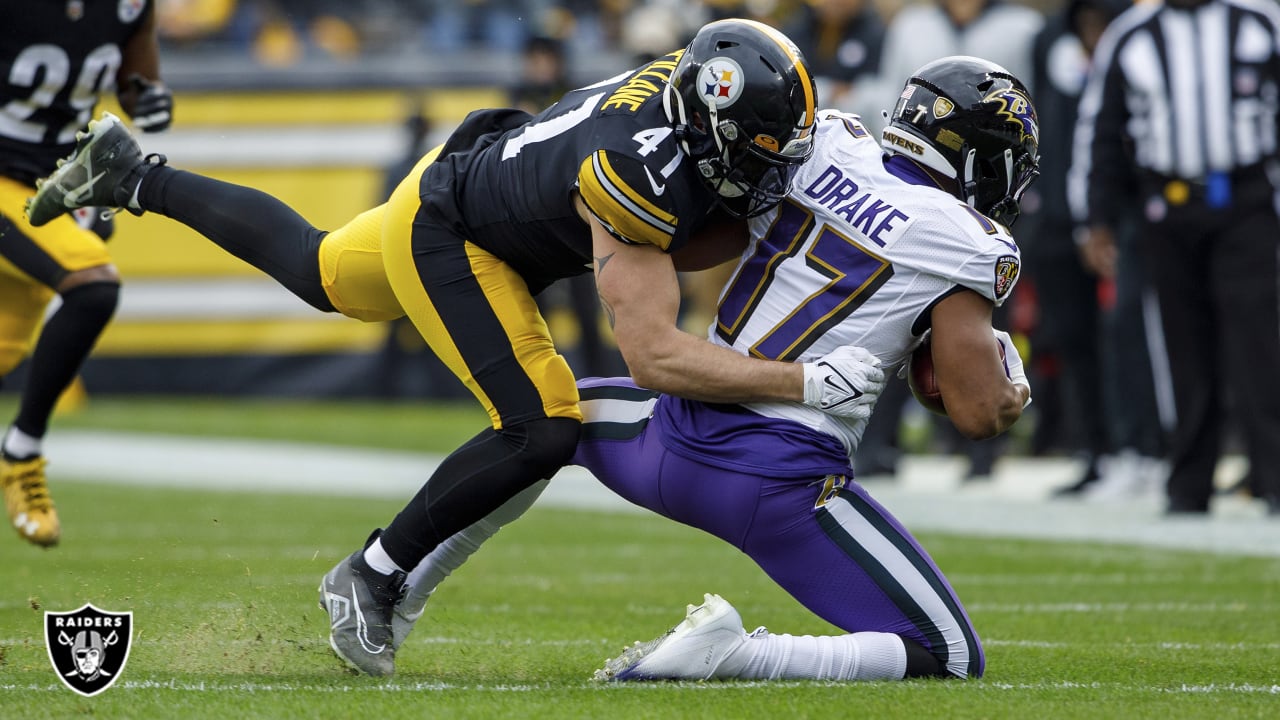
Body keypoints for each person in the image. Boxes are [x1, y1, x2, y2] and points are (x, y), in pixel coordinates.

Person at [26, 19, 887, 676]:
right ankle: (371, 573)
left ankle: (134, 175)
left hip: (476, 177)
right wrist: (807, 380)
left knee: (322, 271)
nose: (769, 175)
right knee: (545, 422)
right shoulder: (634, 172)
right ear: (704, 120)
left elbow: (720, 211)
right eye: (754, 156)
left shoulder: (695, 97)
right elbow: (653, 358)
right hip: (458, 232)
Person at [389, 56, 1038, 682]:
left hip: (663, 437)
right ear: (988, 160)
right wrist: (1012, 383)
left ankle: (394, 584)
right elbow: (975, 412)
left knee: (548, 423)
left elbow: (703, 244)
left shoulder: (830, 140)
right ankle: (741, 655)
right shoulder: (969, 242)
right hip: (776, 481)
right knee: (948, 652)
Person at [1070, 0, 1280, 516]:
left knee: (1258, 339)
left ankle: (1272, 477)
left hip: (1248, 201)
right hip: (1168, 204)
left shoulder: (1258, 23)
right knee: (1181, 347)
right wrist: (1093, 219)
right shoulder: (1133, 33)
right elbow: (1099, 127)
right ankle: (1189, 482)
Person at [0, 0, 173, 547]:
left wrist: (148, 98)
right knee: (92, 285)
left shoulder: (129, 7)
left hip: (56, 190)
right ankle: (22, 454)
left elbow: (134, 82)